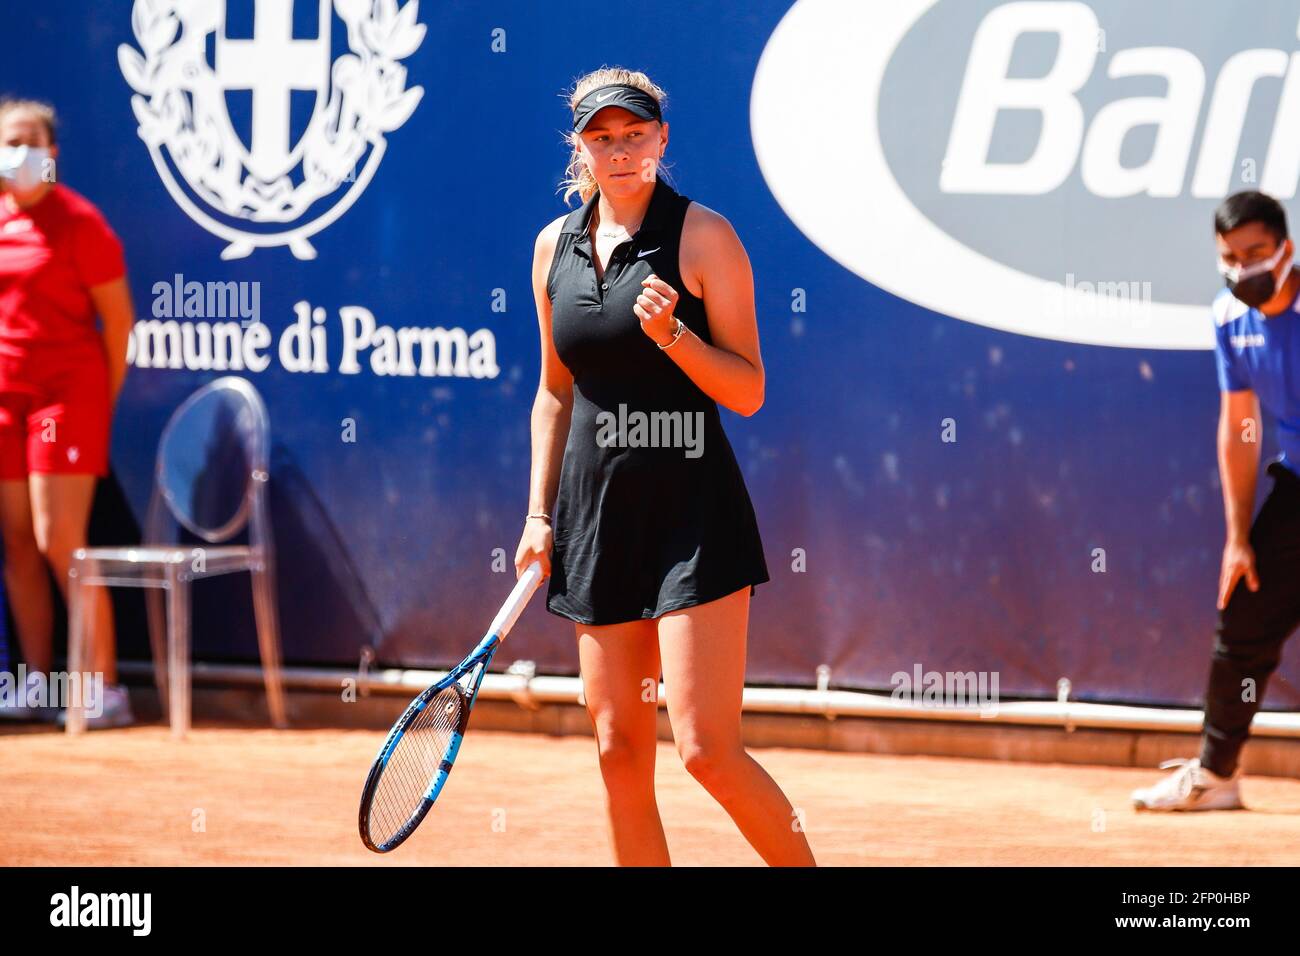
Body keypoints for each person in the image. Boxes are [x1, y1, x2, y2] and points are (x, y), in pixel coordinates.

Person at [514, 68, 814, 865]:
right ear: (580, 147)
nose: (620, 151)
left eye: (635, 135)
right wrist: (539, 515)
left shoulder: (705, 237)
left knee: (707, 749)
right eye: (602, 138)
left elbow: (747, 390)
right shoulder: (551, 248)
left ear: (661, 139)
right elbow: (554, 392)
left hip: (692, 516)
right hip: (596, 518)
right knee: (618, 752)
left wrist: (676, 338)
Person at [1131, 190, 1300, 810]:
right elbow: (1240, 426)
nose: (1243, 267)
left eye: (1257, 252)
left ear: (1286, 249)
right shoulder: (1230, 319)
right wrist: (1237, 538)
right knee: (1244, 618)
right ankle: (1217, 776)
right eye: (1231, 256)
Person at [0, 98, 135, 728]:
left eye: (30, 142)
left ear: (51, 153)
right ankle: (37, 683)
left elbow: (119, 324)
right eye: (8, 141)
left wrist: (98, 406)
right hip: (7, 400)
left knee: (60, 542)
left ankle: (106, 689)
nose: (18, 152)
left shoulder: (81, 223)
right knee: (18, 544)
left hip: (67, 399)